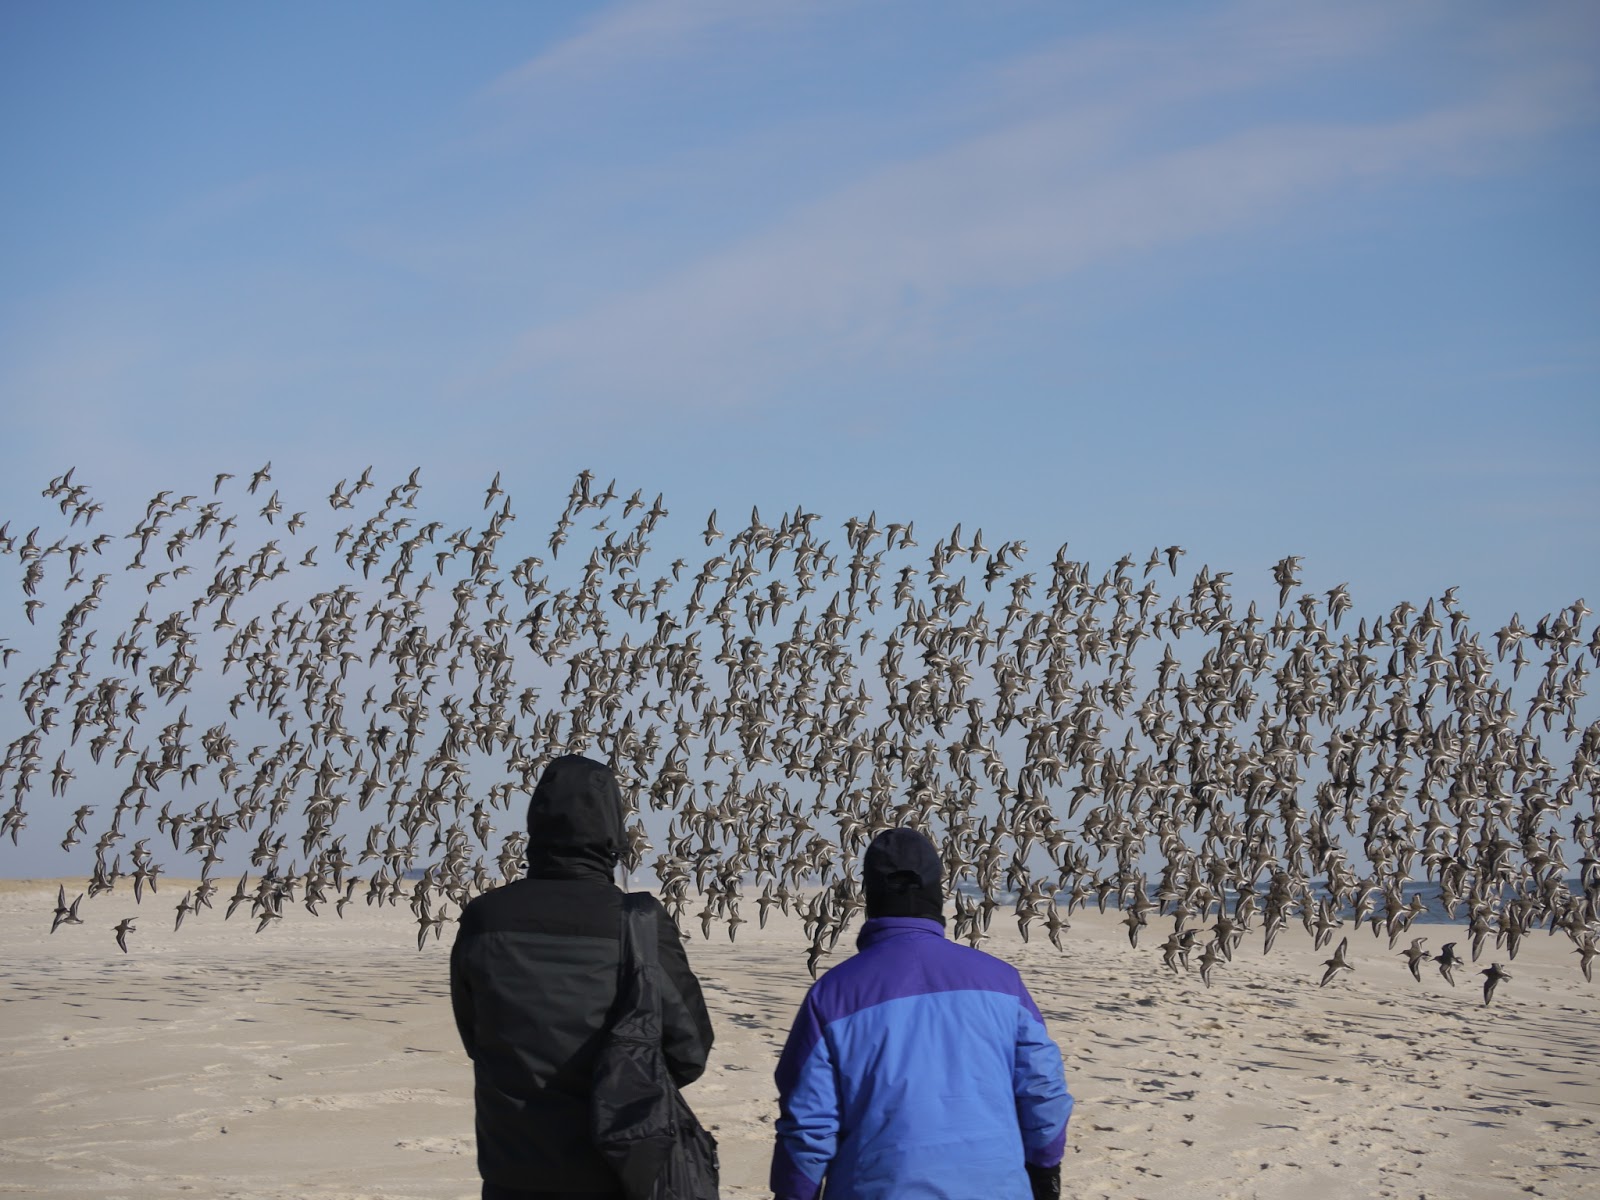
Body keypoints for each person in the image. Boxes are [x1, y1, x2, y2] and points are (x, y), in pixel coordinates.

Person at [451, 754, 715, 1200]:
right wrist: (626, 1082)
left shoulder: (483, 919)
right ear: (612, 828)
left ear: (536, 823)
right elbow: (690, 1049)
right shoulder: (639, 922)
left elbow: (476, 1038)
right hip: (618, 1165)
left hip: (514, 1170)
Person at [771, 827, 1073, 1200]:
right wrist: (1045, 1171)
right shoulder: (1003, 982)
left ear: (871, 895)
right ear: (937, 893)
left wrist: (794, 1193)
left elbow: (807, 1121)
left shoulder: (832, 995)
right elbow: (1044, 1089)